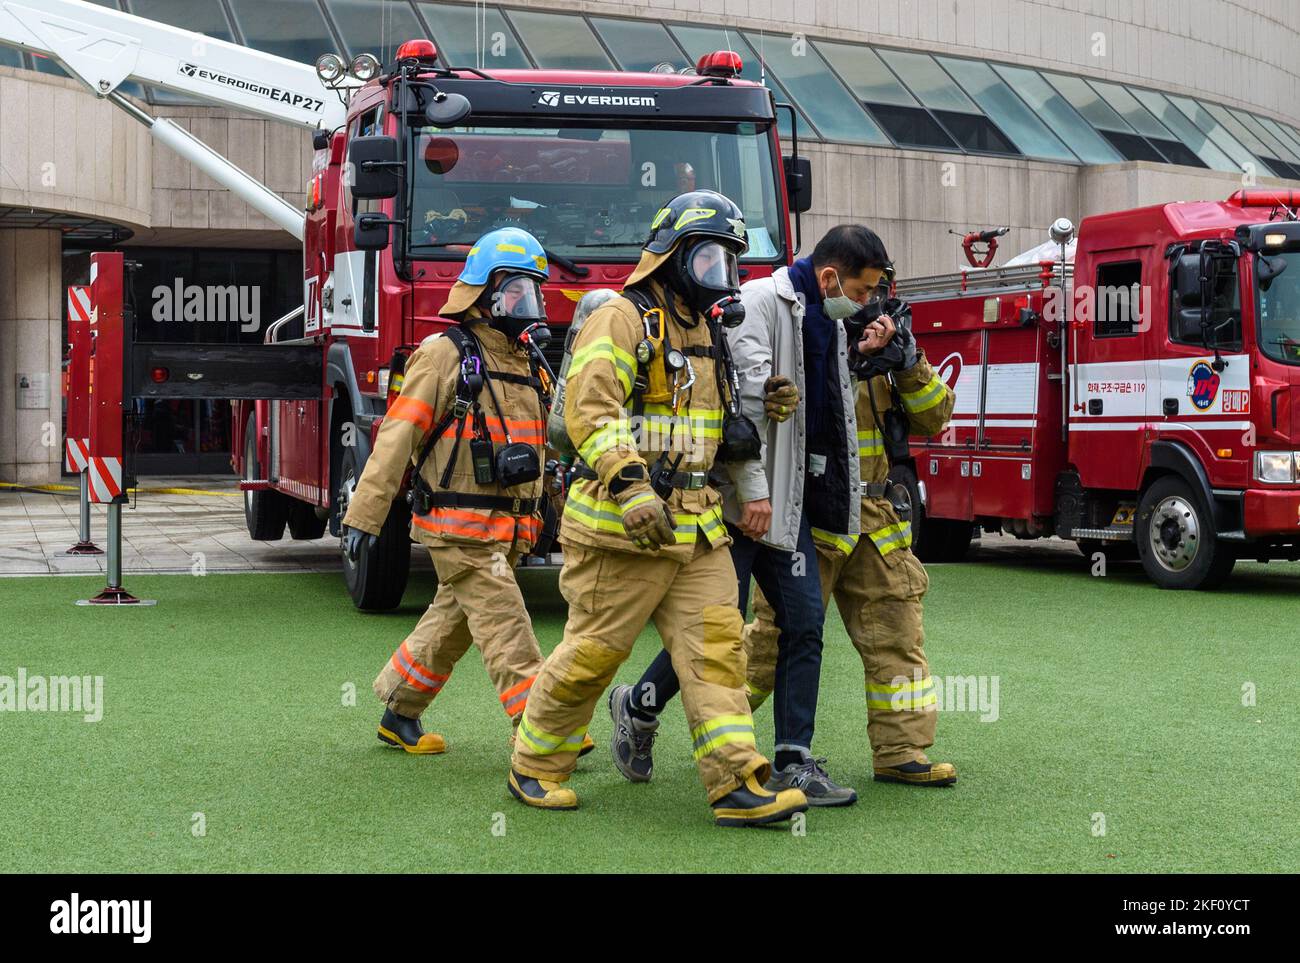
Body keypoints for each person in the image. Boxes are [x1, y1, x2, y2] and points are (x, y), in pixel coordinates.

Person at [506, 190, 809, 826]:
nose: (720, 276)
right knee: (594, 654)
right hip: (622, 527)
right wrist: (631, 486)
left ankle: (736, 783)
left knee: (716, 653)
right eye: (707, 259)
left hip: (697, 528)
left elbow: (714, 424)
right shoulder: (620, 318)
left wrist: (759, 403)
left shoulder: (707, 333)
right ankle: (535, 765)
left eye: (729, 262)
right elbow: (593, 409)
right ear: (671, 257)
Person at [609, 225, 891, 805]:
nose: (865, 303)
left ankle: (794, 761)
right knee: (718, 631)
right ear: (831, 275)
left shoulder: (830, 318)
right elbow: (746, 404)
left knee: (805, 625)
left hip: (787, 506)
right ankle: (638, 704)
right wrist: (753, 494)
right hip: (740, 507)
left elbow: (823, 411)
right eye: (862, 290)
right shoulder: (760, 303)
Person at [341, 227, 593, 759]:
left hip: (508, 527)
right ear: (483, 293)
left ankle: (398, 712)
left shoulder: (528, 362)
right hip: (458, 527)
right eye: (517, 289)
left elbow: (546, 445)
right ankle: (543, 727)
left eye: (534, 290)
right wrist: (365, 518)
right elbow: (397, 434)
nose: (530, 302)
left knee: (450, 622)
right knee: (506, 622)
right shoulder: (443, 354)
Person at [744, 263, 959, 787]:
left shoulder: (894, 344)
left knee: (897, 637)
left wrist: (906, 363)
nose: (870, 300)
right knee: (774, 643)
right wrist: (850, 360)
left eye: (878, 291)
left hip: (876, 519)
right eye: (863, 288)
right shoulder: (805, 332)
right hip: (813, 518)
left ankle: (901, 751)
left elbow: (937, 415)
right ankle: (715, 732)